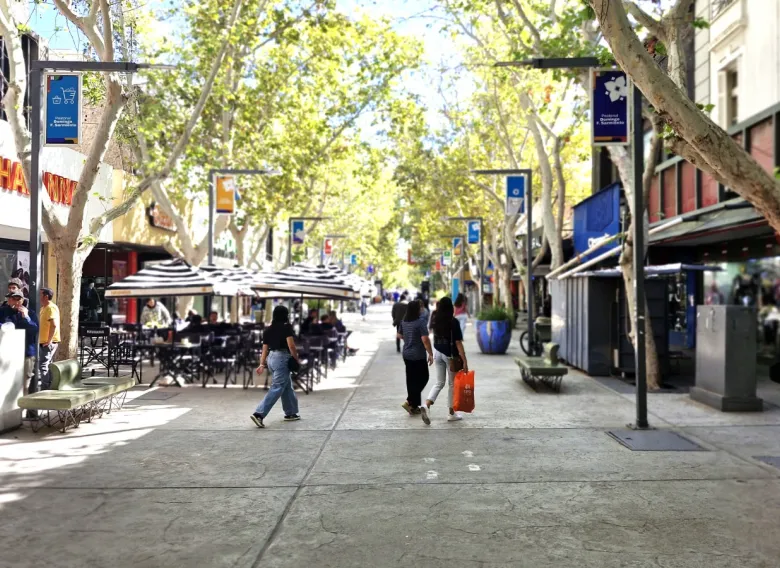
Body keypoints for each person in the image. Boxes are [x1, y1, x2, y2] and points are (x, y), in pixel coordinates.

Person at [251, 305, 301, 427]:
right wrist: (296, 359)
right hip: (282, 358)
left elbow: (264, 349)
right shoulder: (286, 328)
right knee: (277, 387)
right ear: (285, 315)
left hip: (271, 359)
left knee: (286, 385)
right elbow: (291, 346)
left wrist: (262, 364)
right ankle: (259, 414)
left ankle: (291, 413)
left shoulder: (268, 329)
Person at [423, 297, 468, 422]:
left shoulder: (436, 320)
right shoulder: (453, 322)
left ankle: (426, 405)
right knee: (452, 384)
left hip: (437, 352)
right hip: (450, 355)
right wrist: (464, 360)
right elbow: (458, 342)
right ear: (450, 307)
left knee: (439, 382)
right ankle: (451, 413)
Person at [398, 300, 434, 424]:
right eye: (420, 308)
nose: (421, 309)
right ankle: (409, 401)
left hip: (406, 354)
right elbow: (425, 339)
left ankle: (413, 407)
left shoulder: (404, 321)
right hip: (417, 355)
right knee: (424, 377)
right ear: (416, 310)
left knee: (411, 379)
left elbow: (399, 335)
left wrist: (408, 339)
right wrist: (430, 353)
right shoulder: (420, 322)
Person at [0, 290, 38, 394]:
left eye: (19, 299)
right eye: (13, 299)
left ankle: (24, 410)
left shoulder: (30, 313)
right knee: (7, 385)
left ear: (23, 300)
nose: (16, 302)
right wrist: (4, 327)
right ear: (9, 300)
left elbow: (34, 330)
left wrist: (26, 317)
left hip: (26, 354)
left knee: (25, 385)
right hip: (7, 354)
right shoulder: (2, 312)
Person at [38, 287, 60, 390]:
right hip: (43, 341)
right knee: (48, 364)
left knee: (43, 365)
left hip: (48, 342)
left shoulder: (51, 307)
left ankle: (45, 388)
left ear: (46, 296)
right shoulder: (43, 308)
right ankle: (50, 386)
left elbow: (54, 325)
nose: (39, 297)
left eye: (40, 295)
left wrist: (49, 340)